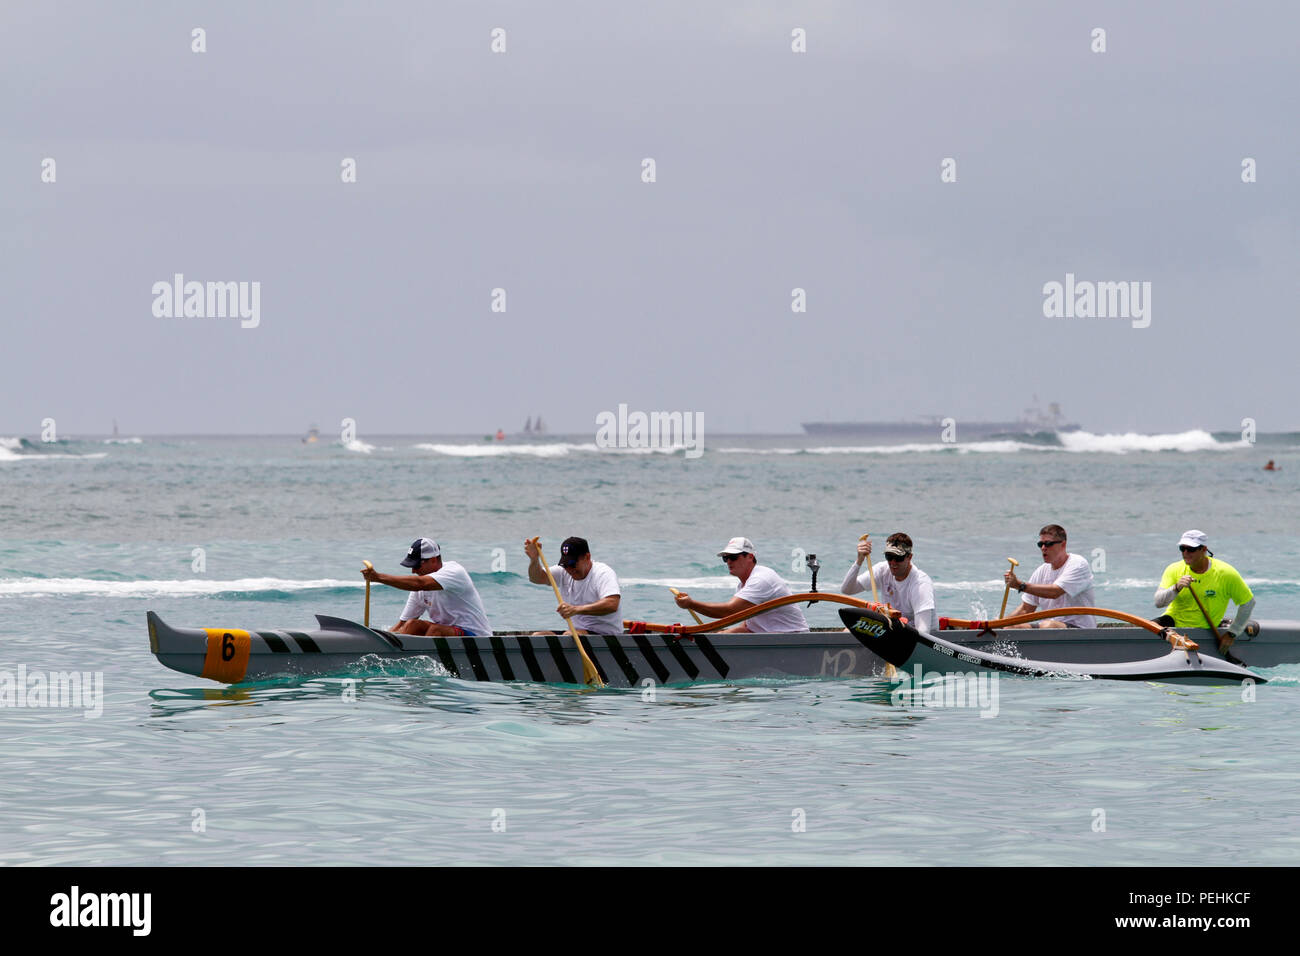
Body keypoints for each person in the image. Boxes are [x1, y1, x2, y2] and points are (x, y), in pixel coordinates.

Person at [674, 537, 809, 633]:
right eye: (725, 558)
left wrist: (691, 604)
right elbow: (748, 626)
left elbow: (729, 611)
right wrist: (722, 635)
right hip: (771, 639)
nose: (728, 562)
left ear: (750, 557)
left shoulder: (761, 579)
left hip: (793, 638)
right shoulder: (743, 585)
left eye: (733, 557)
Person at [361, 538, 493, 636]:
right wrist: (378, 641)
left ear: (434, 560)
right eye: (411, 566)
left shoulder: (455, 572)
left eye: (417, 565)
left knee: (436, 630)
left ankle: (423, 667)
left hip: (476, 636)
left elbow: (421, 584)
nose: (413, 571)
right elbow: (401, 625)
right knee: (412, 624)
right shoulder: (419, 589)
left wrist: (378, 577)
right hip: (450, 634)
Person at [1153, 530, 1255, 653]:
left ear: (1203, 549)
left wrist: (1232, 634)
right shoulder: (1174, 569)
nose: (1185, 553)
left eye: (1190, 549)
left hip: (1205, 630)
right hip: (1173, 623)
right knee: (1148, 627)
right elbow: (1158, 603)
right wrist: (1176, 587)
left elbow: (1248, 603)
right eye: (1182, 548)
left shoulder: (1226, 574)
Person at [841, 532, 938, 635]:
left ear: (909, 557)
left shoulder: (920, 584)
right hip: (895, 628)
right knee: (848, 632)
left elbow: (923, 632)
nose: (893, 562)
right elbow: (847, 589)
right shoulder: (883, 570)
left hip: (921, 637)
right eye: (889, 556)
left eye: (898, 558)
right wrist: (860, 559)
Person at [1002, 524, 1096, 628]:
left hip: (1081, 630)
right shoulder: (1041, 571)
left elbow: (1055, 592)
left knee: (1048, 625)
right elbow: (1026, 609)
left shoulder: (1078, 564)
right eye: (1040, 544)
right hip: (1051, 628)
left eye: (1048, 544)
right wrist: (1000, 624)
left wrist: (1020, 585)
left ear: (1063, 545)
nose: (1043, 548)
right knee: (1011, 627)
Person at [524, 536, 622, 635]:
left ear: (587, 557)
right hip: (576, 633)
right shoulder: (563, 571)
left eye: (572, 564)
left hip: (607, 635)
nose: (569, 569)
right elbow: (536, 578)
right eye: (565, 565)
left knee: (568, 635)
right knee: (538, 636)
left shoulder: (603, 573)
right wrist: (534, 559)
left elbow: (612, 604)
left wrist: (576, 610)